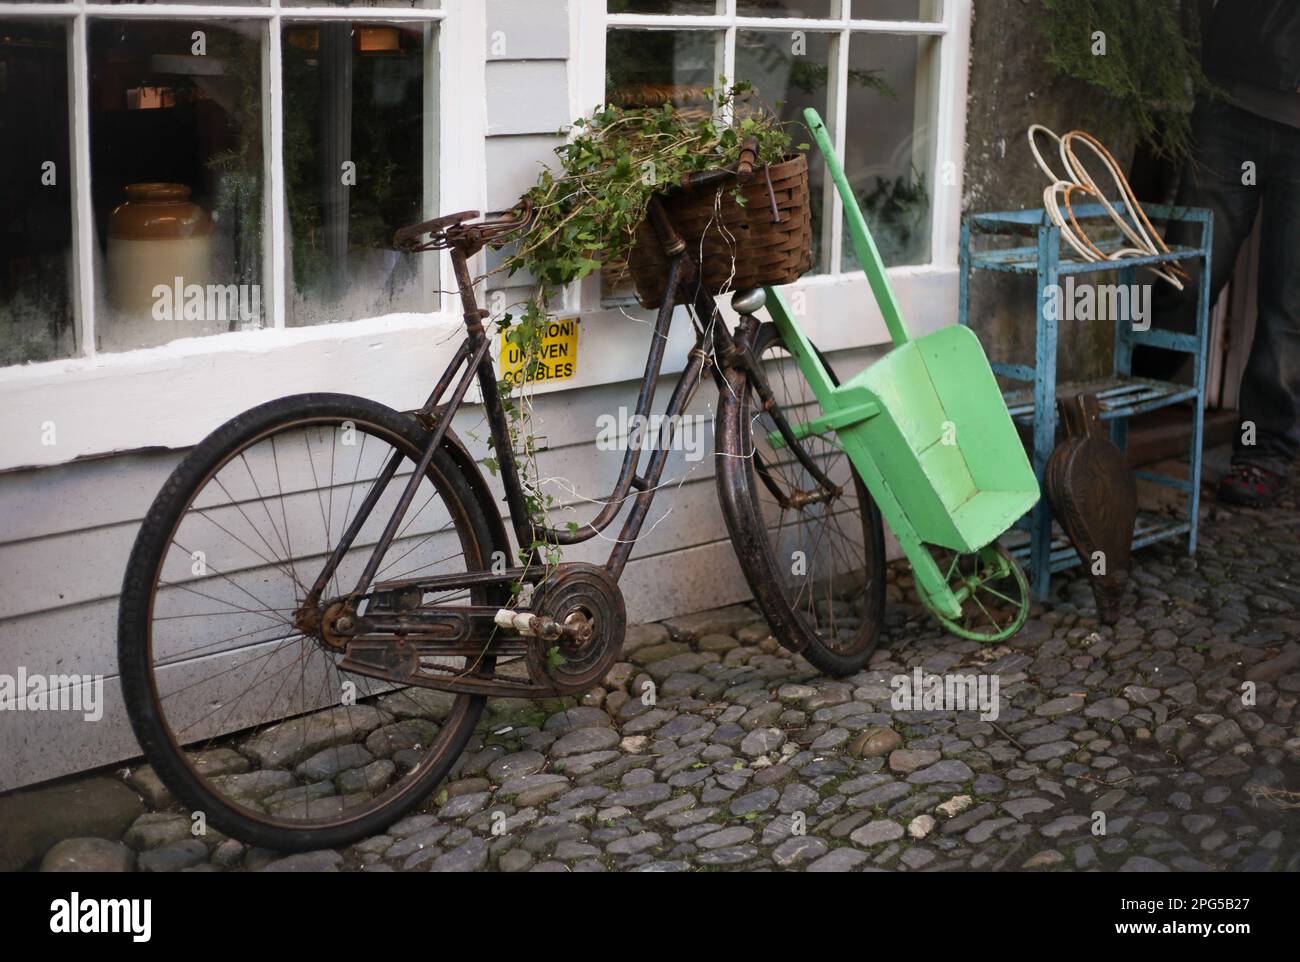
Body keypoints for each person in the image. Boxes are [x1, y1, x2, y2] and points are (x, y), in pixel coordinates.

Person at [1142, 0, 1300, 507]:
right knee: (1182, 276)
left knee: (1290, 308)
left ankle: (1264, 453)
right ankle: (1121, 401)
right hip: (1231, 101)